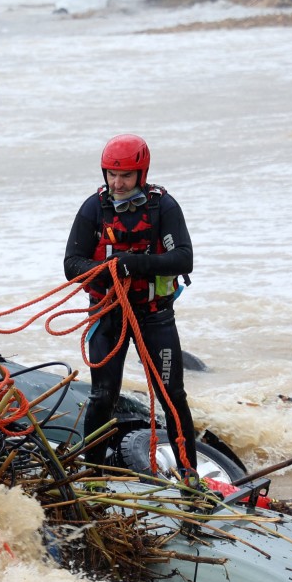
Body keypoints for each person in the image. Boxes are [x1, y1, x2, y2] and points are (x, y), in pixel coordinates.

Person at [62, 134, 199, 480]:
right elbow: (71, 264)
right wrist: (108, 271)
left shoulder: (162, 207)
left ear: (142, 173)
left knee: (173, 396)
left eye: (125, 176)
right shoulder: (93, 208)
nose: (117, 183)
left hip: (154, 317)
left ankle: (189, 476)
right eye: (111, 175)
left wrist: (133, 264)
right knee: (102, 395)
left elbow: (184, 257)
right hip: (107, 314)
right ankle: (92, 476)